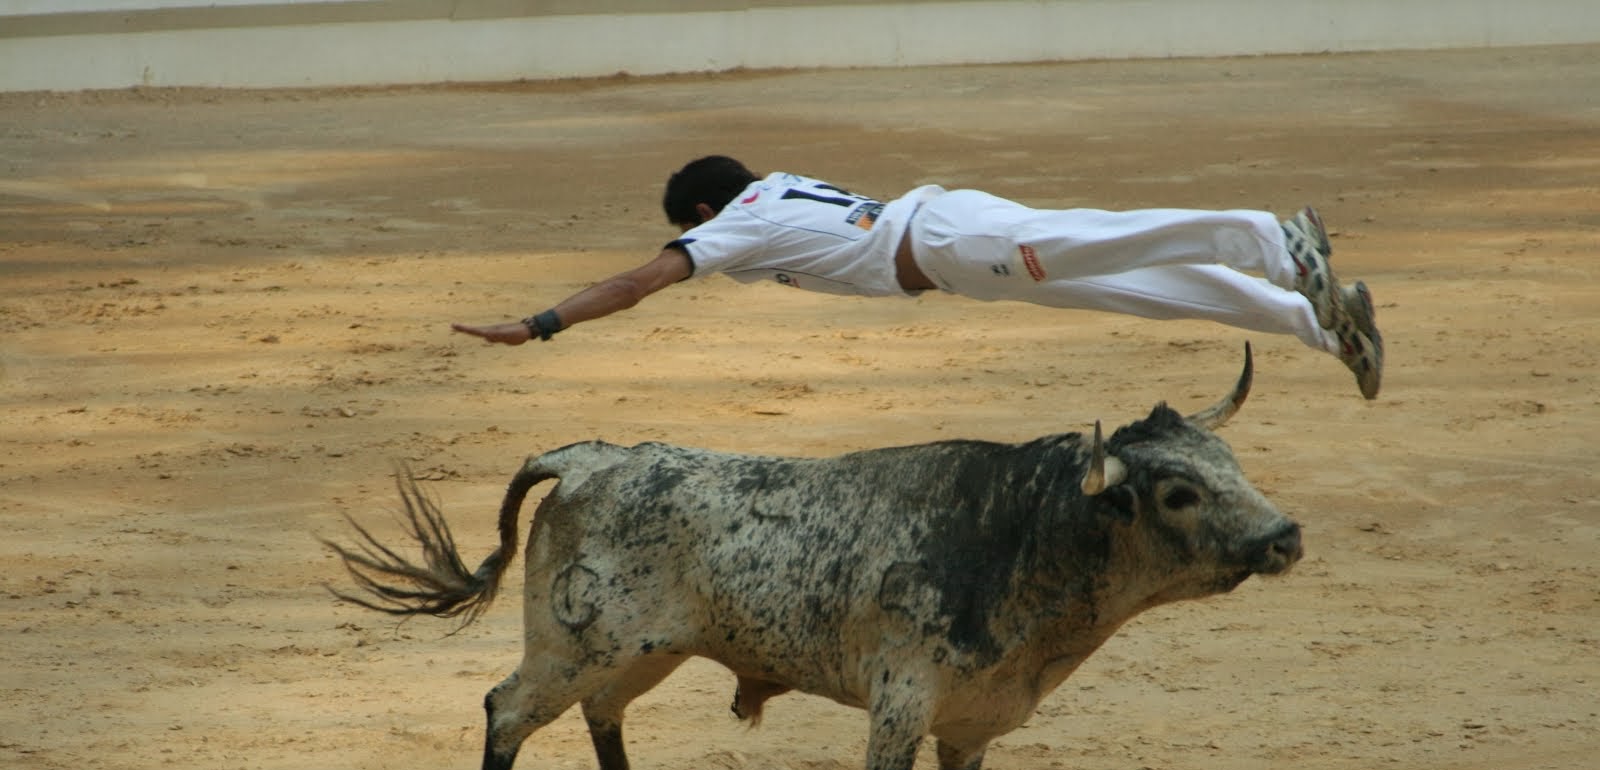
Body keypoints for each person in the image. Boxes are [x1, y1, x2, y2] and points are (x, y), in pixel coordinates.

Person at [453, 155, 1383, 399]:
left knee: (1105, 242)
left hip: (947, 241)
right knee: (1141, 288)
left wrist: (541, 323)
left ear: (702, 211)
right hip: (952, 257)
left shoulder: (735, 224)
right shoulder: (771, 188)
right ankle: (1325, 325)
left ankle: (1273, 242)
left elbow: (636, 283)